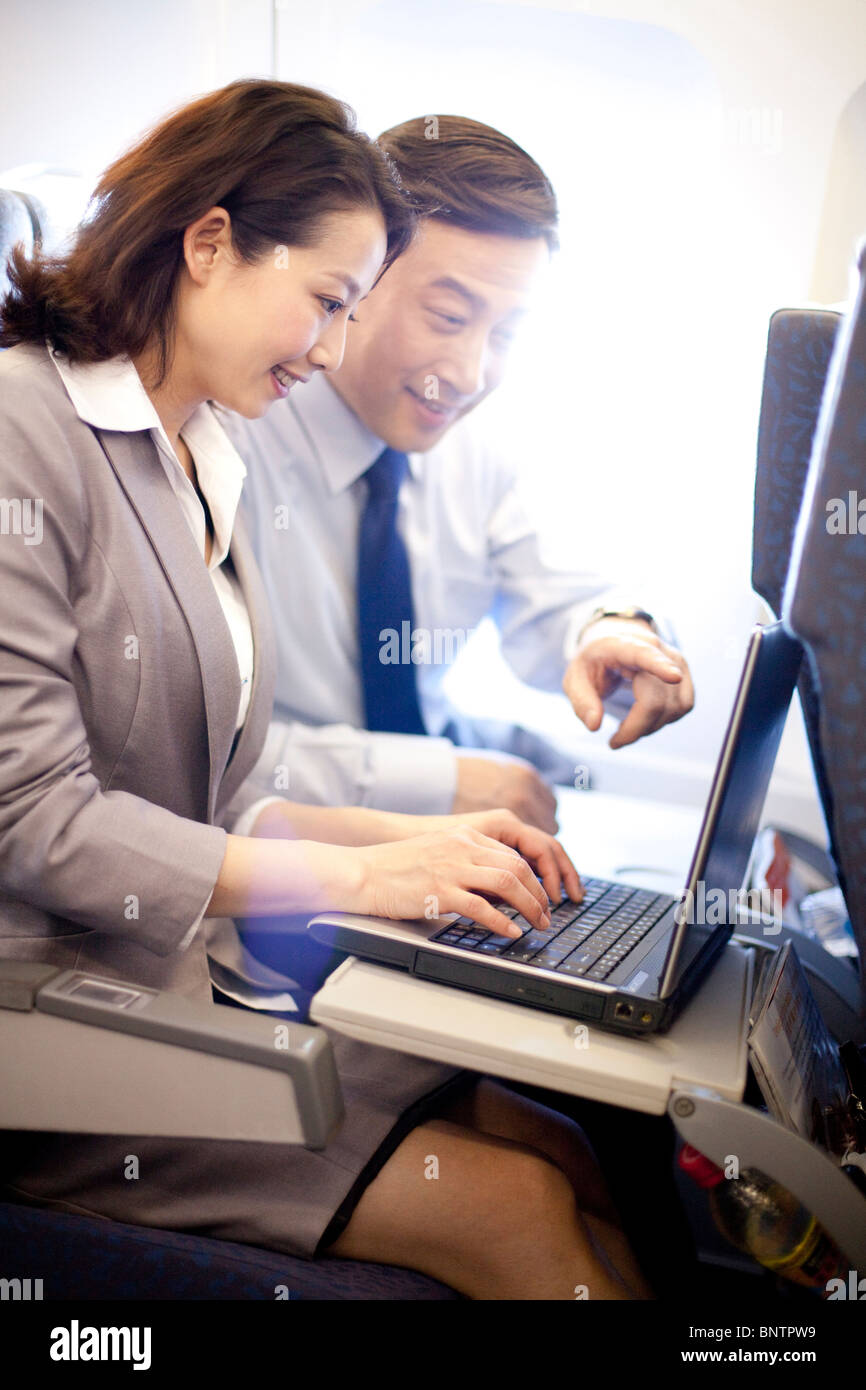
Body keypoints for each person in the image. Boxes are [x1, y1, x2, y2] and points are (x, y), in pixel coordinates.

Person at [0, 79, 652, 1300]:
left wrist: (437, 843)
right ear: (208, 245)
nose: (333, 347)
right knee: (513, 1209)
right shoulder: (21, 430)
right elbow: (35, 823)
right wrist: (363, 873)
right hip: (50, 1025)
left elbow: (225, 800)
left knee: (560, 1147)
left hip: (175, 980)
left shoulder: (202, 449)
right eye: (326, 303)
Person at [224, 115, 695, 839]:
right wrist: (440, 783)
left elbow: (558, 601)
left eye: (506, 333)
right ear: (358, 283)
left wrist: (613, 634)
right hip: (281, 852)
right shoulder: (235, 434)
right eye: (448, 316)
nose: (472, 375)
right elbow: (204, 760)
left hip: (439, 826)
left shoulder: (476, 447)